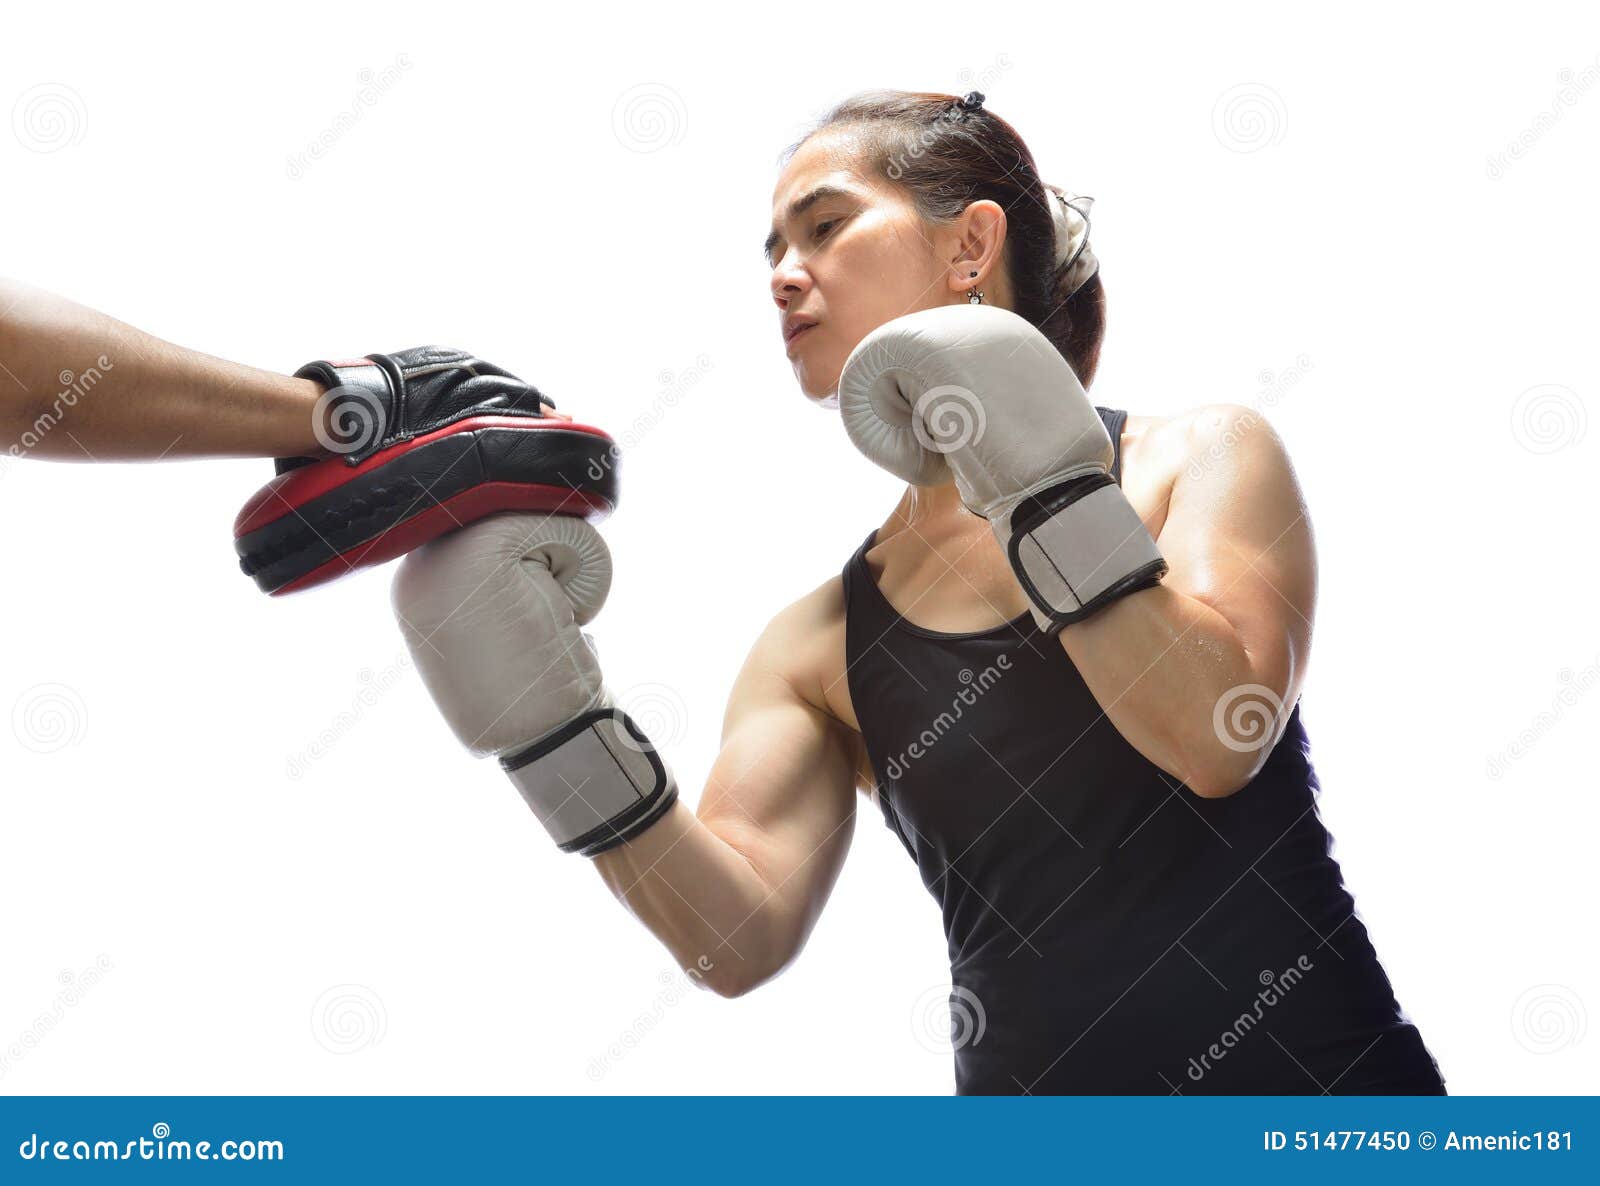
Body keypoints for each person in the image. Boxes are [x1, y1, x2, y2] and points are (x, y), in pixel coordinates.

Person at [0, 87, 1446, 1095]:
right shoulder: (822, 638)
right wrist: (555, 735)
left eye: (824, 226)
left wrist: (1048, 491)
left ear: (969, 245)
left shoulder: (1199, 454)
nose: (784, 274)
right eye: (769, 247)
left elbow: (1213, 731)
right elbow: (733, 935)